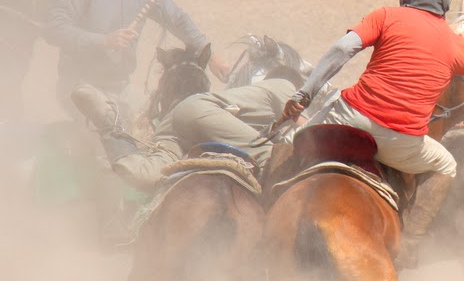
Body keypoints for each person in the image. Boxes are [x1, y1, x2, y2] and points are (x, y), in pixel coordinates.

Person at [279, 0, 464, 268]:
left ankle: (267, 201)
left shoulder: (386, 15)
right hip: (401, 142)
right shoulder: (454, 43)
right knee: (445, 165)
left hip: (350, 117)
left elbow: (343, 49)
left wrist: (304, 95)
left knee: (290, 141)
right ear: (444, 4)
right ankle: (410, 244)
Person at [46, 0, 231, 146]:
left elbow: (177, 20)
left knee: (159, 133)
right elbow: (53, 28)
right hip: (80, 88)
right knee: (112, 146)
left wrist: (210, 55)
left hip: (121, 87)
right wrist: (103, 40)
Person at [73, 70, 302, 192]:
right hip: (201, 112)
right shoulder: (287, 86)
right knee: (275, 159)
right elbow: (305, 129)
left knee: (144, 175)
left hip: (178, 122)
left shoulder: (256, 96)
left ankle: (109, 125)